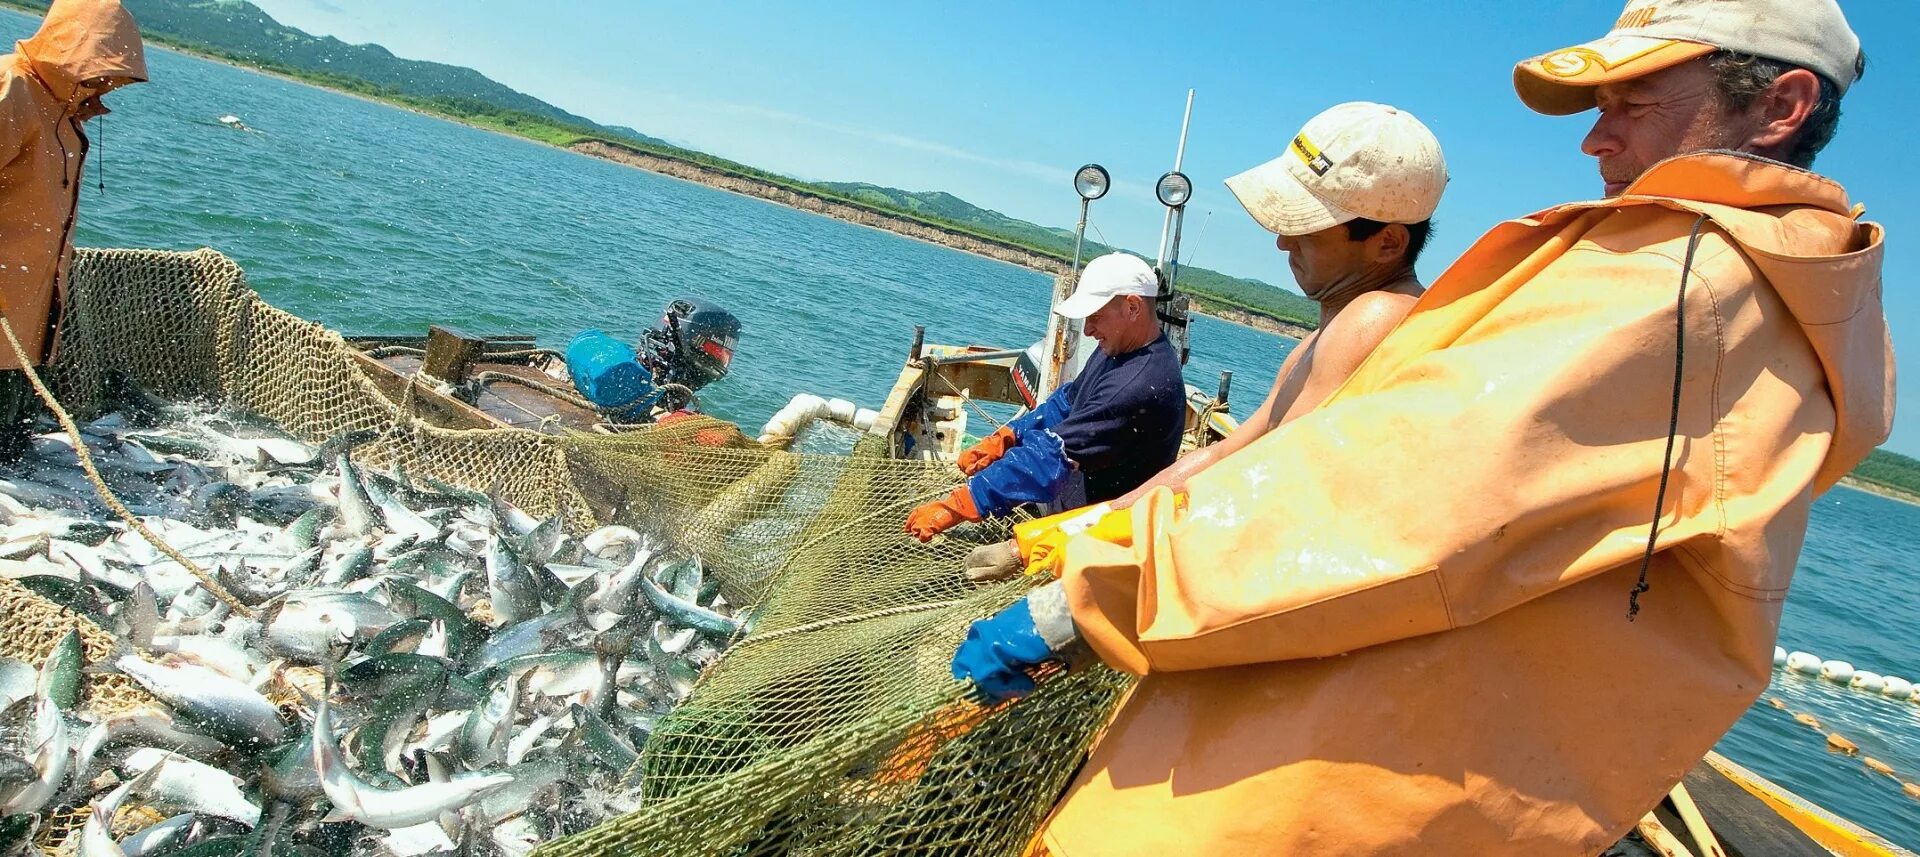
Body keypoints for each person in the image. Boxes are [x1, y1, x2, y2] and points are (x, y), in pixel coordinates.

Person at [952, 1, 1894, 854]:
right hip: (1453, 791)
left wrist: (1088, 591)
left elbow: (1385, 501)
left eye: (1634, 104)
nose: (1594, 141)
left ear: (1780, 108)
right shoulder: (1797, 315)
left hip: (1316, 774)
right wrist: (1079, 540)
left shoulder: (1680, 284)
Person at [1125, 101, 1446, 507]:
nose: (1282, 241)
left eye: (1306, 227)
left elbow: (1270, 484)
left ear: (1387, 243)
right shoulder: (1322, 336)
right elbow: (1224, 454)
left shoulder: (1376, 316)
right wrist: (1094, 522)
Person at [905, 252, 1185, 543]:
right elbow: (1068, 402)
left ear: (1132, 307)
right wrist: (1009, 436)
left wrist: (960, 505)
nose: (1088, 330)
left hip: (1098, 538)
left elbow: (1050, 458)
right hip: (1072, 506)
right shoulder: (1118, 350)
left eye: (1096, 316)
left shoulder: (1138, 385)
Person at [0, 0, 146, 459]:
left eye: (113, 78)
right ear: (71, 50)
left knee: (11, 451)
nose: (106, 87)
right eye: (100, 72)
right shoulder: (12, 88)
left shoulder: (61, 109)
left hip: (27, 319)